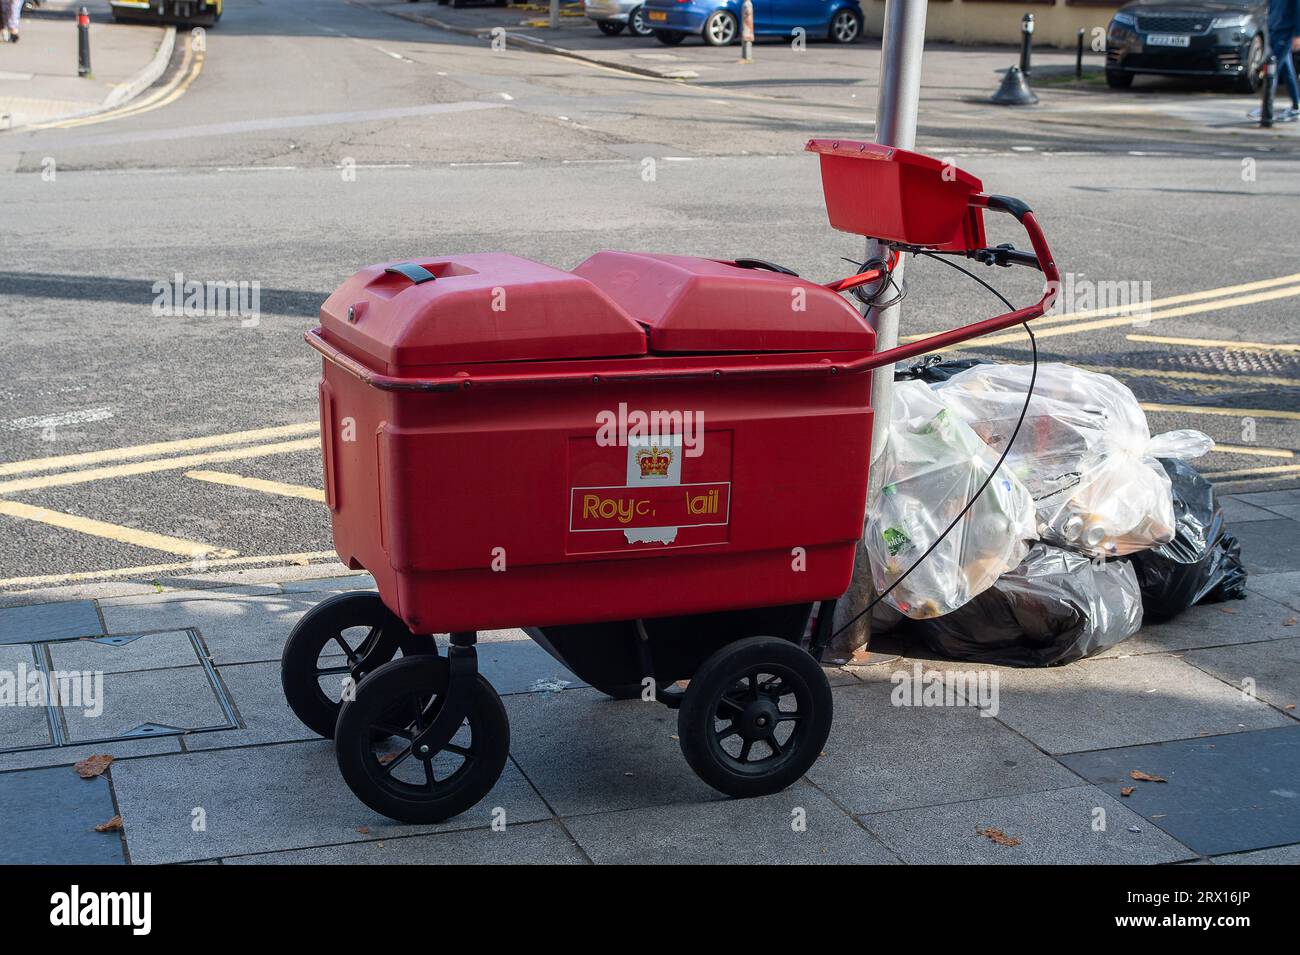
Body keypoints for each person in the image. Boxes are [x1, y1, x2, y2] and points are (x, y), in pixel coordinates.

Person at [1269, 0, 1300, 120]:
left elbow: (1298, 10)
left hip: (1285, 32)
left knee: (1273, 69)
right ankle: (1296, 104)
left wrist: (1298, 34)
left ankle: (1268, 107)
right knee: (1287, 71)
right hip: (1274, 30)